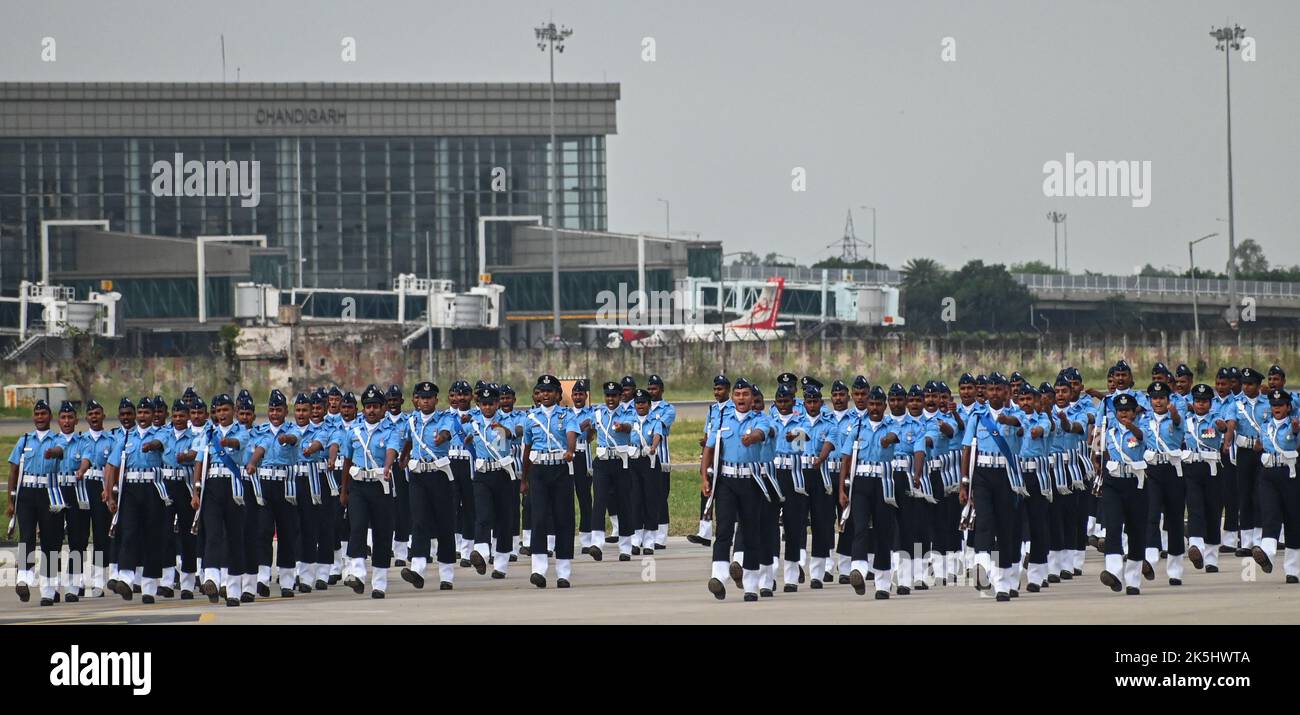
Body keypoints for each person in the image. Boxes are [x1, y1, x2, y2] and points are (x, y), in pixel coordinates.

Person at [701, 378, 768, 601]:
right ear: (733, 398)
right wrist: (705, 477)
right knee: (724, 530)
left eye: (745, 394)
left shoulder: (761, 419)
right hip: (726, 481)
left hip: (750, 482)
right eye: (738, 394)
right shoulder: (722, 420)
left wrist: (753, 437)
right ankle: (718, 578)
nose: (741, 398)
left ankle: (750, 584)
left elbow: (761, 433)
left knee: (751, 531)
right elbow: (709, 449)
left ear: (752, 398)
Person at [960, 373, 1025, 601]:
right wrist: (964, 482)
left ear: (1007, 391)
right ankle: (981, 566)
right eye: (991, 389)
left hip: (1006, 476)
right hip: (982, 475)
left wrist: (1009, 421)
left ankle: (1003, 583)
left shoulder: (1017, 414)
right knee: (984, 522)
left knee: (1005, 529)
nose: (995, 393)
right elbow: (967, 448)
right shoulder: (977, 417)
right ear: (985, 392)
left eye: (999, 389)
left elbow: (1022, 426)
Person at [394, 381, 459, 588]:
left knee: (444, 523)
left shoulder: (444, 418)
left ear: (436, 400)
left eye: (429, 398)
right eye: (422, 398)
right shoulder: (411, 420)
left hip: (439, 475)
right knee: (419, 521)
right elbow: (407, 441)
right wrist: (403, 457)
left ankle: (447, 575)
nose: (425, 401)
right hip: (417, 476)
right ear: (416, 400)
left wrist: (442, 438)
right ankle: (418, 569)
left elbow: (448, 432)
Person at [104, 397, 167, 603]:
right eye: (140, 413)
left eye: (146, 413)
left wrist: (152, 445)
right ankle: (126, 579)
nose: (142, 417)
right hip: (130, 490)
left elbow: (160, 444)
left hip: (153, 489)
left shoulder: (161, 433)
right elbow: (113, 466)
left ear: (153, 415)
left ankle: (149, 587)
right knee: (128, 532)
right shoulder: (125, 437)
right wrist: (110, 495)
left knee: (151, 536)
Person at [192, 393, 251, 606]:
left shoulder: (242, 431)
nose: (222, 414)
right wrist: (196, 492)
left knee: (234, 537)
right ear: (215, 414)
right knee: (213, 534)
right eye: (218, 411)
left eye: (226, 410)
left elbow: (238, 444)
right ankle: (211, 580)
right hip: (212, 486)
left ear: (234, 412)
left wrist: (226, 442)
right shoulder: (207, 434)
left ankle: (233, 589)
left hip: (233, 487)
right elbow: (199, 462)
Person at [339, 385, 398, 597]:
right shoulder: (354, 431)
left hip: (381, 484)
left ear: (383, 409)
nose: (371, 410)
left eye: (375, 406)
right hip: (358, 486)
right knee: (357, 527)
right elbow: (346, 460)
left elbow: (392, 450)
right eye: (368, 406)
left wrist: (387, 467)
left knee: (382, 532)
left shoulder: (391, 430)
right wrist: (344, 491)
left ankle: (379, 582)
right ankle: (358, 573)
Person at [521, 374, 579, 588]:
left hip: (561, 470)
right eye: (542, 391)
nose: (545, 395)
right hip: (538, 472)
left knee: (564, 518)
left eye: (550, 391)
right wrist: (523, 478)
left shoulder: (567, 415)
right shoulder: (531, 418)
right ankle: (538, 569)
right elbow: (527, 449)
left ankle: (563, 572)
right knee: (538, 518)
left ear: (558, 394)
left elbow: (572, 434)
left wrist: (570, 450)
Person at [839, 385, 897, 599]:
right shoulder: (858, 427)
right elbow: (845, 459)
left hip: (883, 483)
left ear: (885, 405)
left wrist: (889, 439)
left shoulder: (892, 425)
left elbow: (895, 436)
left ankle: (883, 583)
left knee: (883, 531)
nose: (874, 408)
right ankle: (859, 570)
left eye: (878, 404)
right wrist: (841, 491)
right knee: (860, 527)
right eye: (871, 404)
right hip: (860, 482)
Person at [246, 389, 302, 598]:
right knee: (263, 532)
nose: (275, 414)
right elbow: (257, 449)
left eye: (279, 410)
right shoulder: (259, 431)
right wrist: (252, 463)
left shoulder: (293, 429)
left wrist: (285, 438)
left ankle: (287, 580)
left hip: (286, 486)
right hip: (264, 485)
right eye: (271, 410)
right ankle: (262, 578)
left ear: (286, 411)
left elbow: (294, 439)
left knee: (287, 532)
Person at [7, 400, 64, 605]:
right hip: (27, 494)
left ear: (50, 417)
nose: (39, 417)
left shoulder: (58, 439)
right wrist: (11, 501)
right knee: (27, 536)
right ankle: (24, 579)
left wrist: (56, 452)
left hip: (49, 494)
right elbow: (13, 471)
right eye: (37, 414)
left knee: (49, 541)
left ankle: (48, 591)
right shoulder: (24, 440)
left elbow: (61, 451)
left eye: (43, 414)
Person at [461, 384, 518, 580]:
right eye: (483, 404)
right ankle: (481, 553)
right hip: (482, 475)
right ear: (478, 404)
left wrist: (503, 431)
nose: (487, 407)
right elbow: (462, 436)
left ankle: (501, 563)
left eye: (491, 403)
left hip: (502, 473)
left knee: (504, 518)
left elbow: (505, 441)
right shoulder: (472, 422)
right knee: (483, 514)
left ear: (497, 403)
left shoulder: (506, 420)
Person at [1098, 393, 1149, 595]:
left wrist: (1130, 426)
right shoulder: (1109, 432)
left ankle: (1133, 578)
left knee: (1136, 529)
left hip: (1135, 483)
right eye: (1120, 411)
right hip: (1113, 482)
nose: (1124, 414)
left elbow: (1142, 439)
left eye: (1128, 410)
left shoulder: (1142, 428)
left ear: (1134, 411)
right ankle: (1113, 571)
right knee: (1113, 525)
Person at [1251, 388, 1298, 582]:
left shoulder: (1294, 424)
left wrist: (1295, 431)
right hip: (1268, 474)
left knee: (1293, 519)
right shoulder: (1265, 425)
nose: (1277, 408)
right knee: (1270, 513)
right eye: (1274, 405)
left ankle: (1293, 570)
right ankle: (1267, 553)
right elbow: (1261, 444)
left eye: (1280, 405)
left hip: (1290, 474)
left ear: (1288, 407)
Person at [1142, 381, 1187, 585]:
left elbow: (1178, 422)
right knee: (1151, 514)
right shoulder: (1144, 420)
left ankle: (1175, 569)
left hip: (1172, 470)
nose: (1158, 401)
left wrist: (1174, 412)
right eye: (1154, 398)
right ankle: (1150, 557)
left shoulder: (1176, 418)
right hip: (1152, 470)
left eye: (1161, 397)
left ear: (1168, 400)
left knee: (1174, 518)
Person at [1182, 383, 1227, 573]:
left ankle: (1211, 558)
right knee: (1194, 507)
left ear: (1211, 403)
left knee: (1213, 511)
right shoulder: (1186, 421)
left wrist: (1222, 427)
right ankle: (1196, 546)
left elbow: (1224, 428)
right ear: (1193, 403)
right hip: (1192, 467)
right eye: (1198, 401)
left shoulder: (1215, 419)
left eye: (1205, 401)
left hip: (1212, 469)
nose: (1201, 405)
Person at [73, 399, 115, 598]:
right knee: (79, 535)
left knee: (100, 535)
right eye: (91, 414)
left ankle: (99, 581)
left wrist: (109, 491)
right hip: (82, 487)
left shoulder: (111, 439)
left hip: (101, 487)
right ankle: (78, 580)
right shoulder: (80, 440)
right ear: (86, 418)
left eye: (98, 413)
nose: (94, 417)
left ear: (103, 415)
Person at [159, 398, 199, 599]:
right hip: (166, 485)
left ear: (188, 416)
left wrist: (187, 456)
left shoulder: (194, 437)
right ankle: (166, 581)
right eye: (174, 416)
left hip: (185, 486)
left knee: (187, 535)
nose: (178, 419)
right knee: (165, 534)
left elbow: (195, 454)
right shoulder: (164, 435)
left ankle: (187, 584)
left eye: (182, 415)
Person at [591, 380, 635, 560]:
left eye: (614, 395)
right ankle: (596, 543)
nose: (610, 399)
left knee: (624, 502)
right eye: (608, 395)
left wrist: (622, 427)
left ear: (620, 396)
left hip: (621, 462)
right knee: (599, 500)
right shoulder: (598, 413)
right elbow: (589, 428)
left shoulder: (628, 412)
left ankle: (625, 547)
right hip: (602, 461)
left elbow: (630, 426)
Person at [1228, 367, 1269, 556]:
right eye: (1244, 384)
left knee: (1259, 494)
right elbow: (1232, 423)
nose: (1246, 387)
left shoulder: (1267, 403)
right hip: (1244, 451)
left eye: (1250, 384)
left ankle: (1259, 540)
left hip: (1262, 452)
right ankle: (1246, 541)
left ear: (1259, 386)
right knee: (1243, 494)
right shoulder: (1236, 403)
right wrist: (1228, 440)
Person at [690, 374, 732, 547]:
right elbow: (708, 434)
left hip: (727, 458)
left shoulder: (733, 408)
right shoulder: (712, 409)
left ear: (728, 390)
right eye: (715, 389)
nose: (717, 392)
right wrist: (704, 453)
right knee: (706, 492)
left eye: (720, 389)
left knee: (726, 496)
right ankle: (704, 533)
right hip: (712, 457)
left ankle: (729, 533)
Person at [646, 375, 676, 551]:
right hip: (643, 461)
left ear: (662, 390)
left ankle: (661, 536)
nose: (651, 392)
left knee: (660, 499)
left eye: (655, 389)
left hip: (661, 459)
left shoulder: (668, 409)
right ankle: (647, 533)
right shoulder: (642, 405)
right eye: (649, 389)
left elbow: (656, 427)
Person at [384, 385, 412, 567]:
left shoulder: (408, 421)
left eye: (396, 400)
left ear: (402, 401)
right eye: (390, 400)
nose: (393, 403)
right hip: (384, 468)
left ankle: (401, 551)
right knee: (385, 509)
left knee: (403, 509)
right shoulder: (381, 421)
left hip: (401, 467)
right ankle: (385, 548)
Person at [568, 380, 596, 554]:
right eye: (575, 394)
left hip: (583, 456)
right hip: (568, 456)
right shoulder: (566, 413)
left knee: (585, 498)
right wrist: (580, 426)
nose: (578, 397)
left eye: (581, 394)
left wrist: (581, 427)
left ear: (586, 396)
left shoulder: (592, 413)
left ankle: (586, 539)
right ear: (571, 396)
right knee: (565, 499)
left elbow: (591, 429)